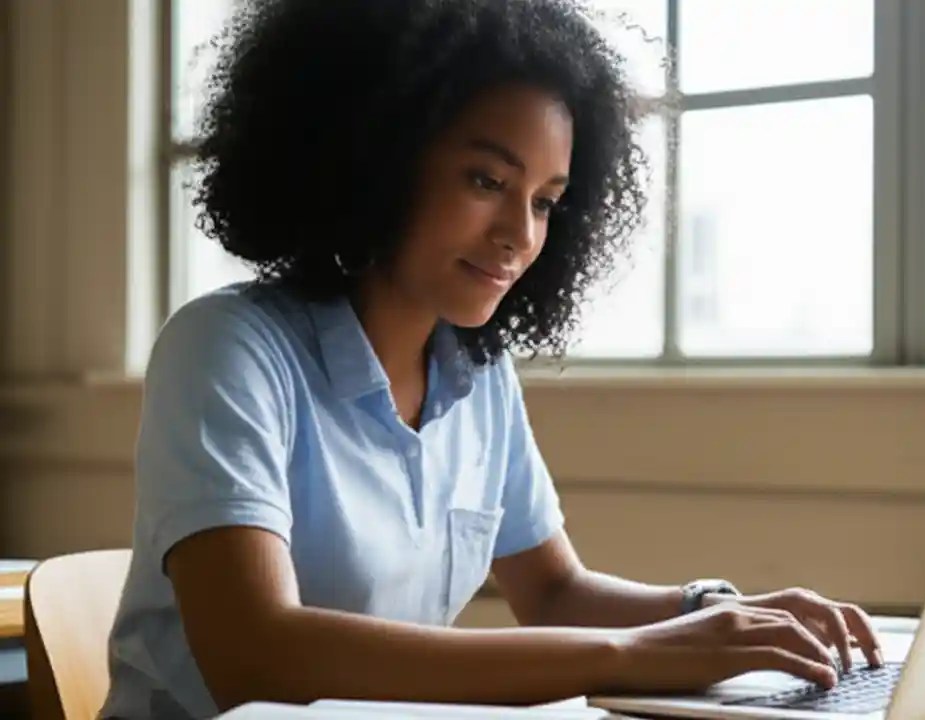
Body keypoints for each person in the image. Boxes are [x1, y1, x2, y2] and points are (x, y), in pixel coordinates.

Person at [101, 1, 883, 717]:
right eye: (486, 180)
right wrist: (633, 655)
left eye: (545, 200)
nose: (522, 235)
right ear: (374, 156)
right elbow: (257, 658)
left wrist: (715, 613)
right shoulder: (228, 349)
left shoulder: (476, 372)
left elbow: (552, 590)